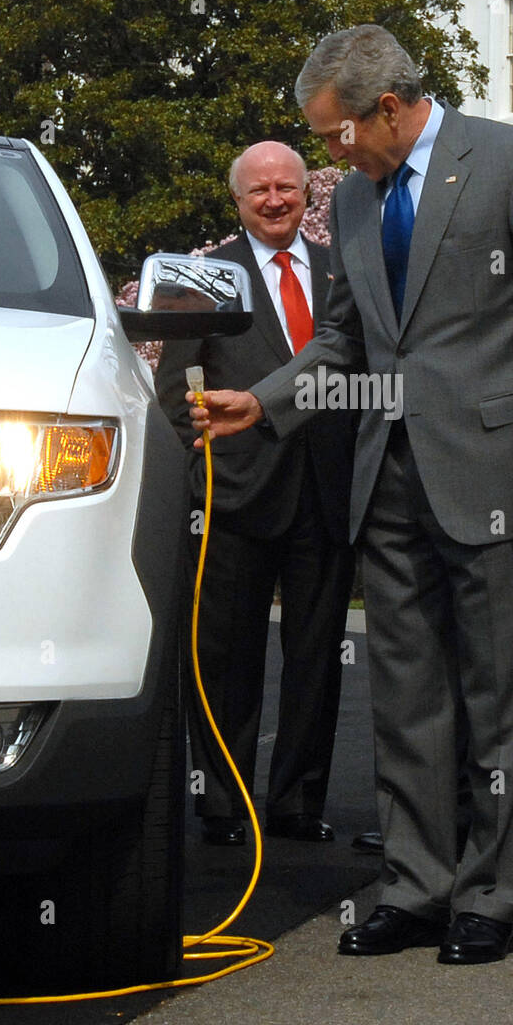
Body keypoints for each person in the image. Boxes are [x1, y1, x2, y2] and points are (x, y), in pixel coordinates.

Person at [191, 25, 513, 963]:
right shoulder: (365, 206)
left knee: (500, 700)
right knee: (405, 698)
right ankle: (416, 887)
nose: (329, 156)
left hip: (502, 478)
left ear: (388, 106)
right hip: (390, 480)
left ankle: (490, 898)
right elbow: (346, 340)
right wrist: (260, 401)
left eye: (336, 135)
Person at [157, 141, 356, 847]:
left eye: (287, 188)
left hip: (329, 495)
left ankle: (299, 803)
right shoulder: (206, 279)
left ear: (308, 193)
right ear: (237, 202)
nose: (275, 200)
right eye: (259, 192)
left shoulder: (345, 272)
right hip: (234, 498)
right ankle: (222, 803)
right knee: (223, 660)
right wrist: (211, 464)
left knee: (316, 660)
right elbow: (175, 396)